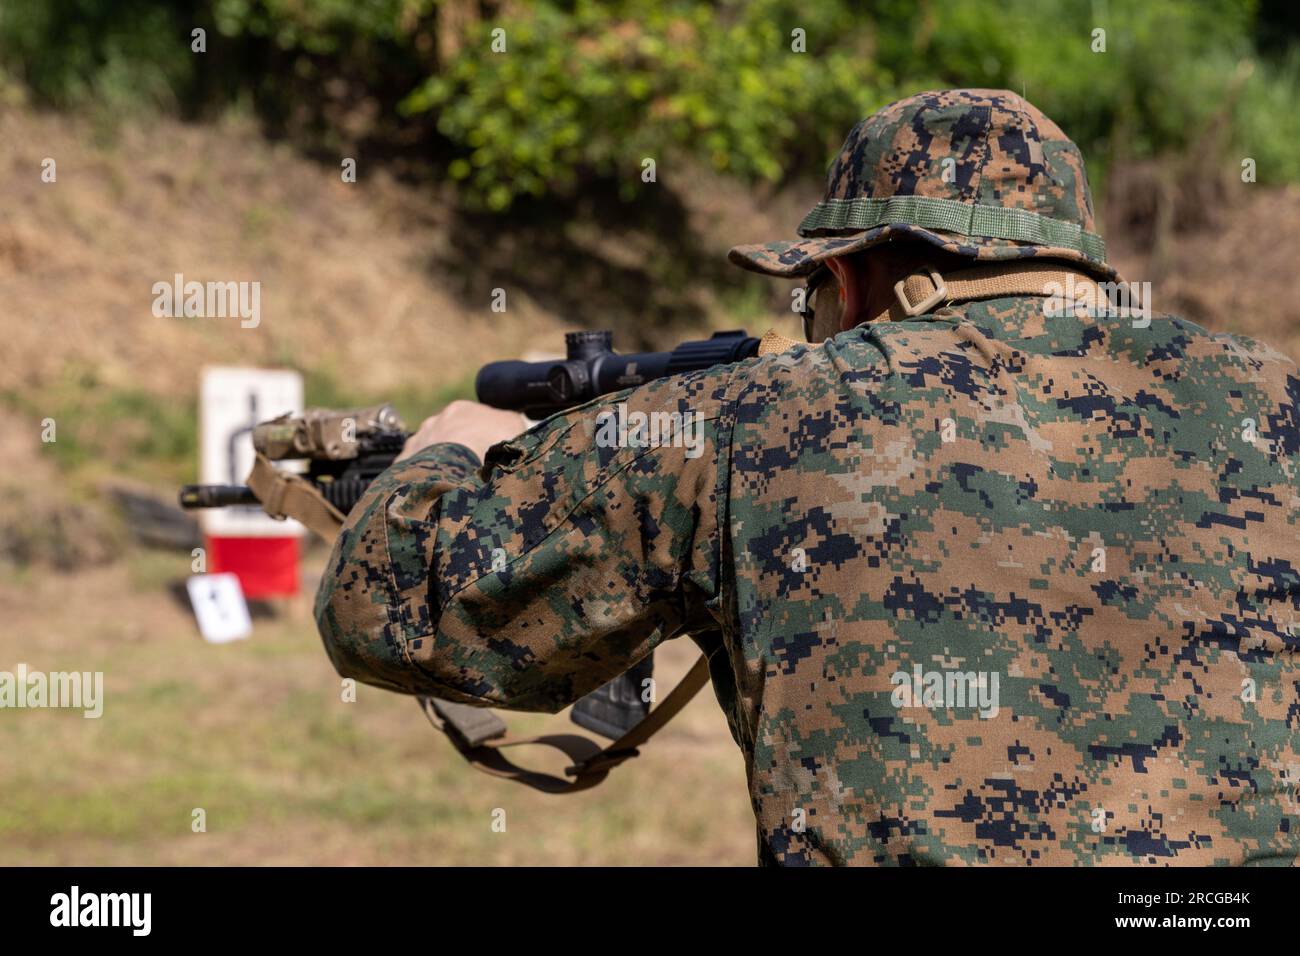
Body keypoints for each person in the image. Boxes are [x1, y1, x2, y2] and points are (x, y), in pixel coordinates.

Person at [315, 89, 1300, 865]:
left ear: (847, 278)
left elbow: (395, 609)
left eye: (808, 295)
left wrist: (447, 451)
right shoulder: (1276, 400)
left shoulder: (747, 419)